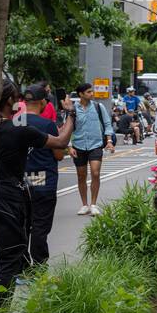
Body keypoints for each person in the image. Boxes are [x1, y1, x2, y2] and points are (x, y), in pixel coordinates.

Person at [0, 84, 74, 304]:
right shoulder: (20, 129)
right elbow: (61, 145)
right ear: (11, 101)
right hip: (12, 198)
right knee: (10, 256)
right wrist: (70, 114)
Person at [20, 85, 65, 268]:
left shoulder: (15, 122)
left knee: (23, 224)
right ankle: (38, 267)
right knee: (40, 225)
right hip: (43, 179)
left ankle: (22, 265)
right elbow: (59, 155)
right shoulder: (47, 124)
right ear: (43, 102)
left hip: (21, 179)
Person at [70, 82, 114, 215]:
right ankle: (84, 205)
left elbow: (107, 124)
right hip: (78, 146)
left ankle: (94, 204)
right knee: (81, 176)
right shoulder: (73, 110)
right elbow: (67, 128)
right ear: (81, 94)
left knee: (95, 173)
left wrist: (109, 141)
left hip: (96, 145)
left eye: (91, 91)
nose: (92, 94)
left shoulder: (98, 107)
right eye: (89, 92)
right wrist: (69, 146)